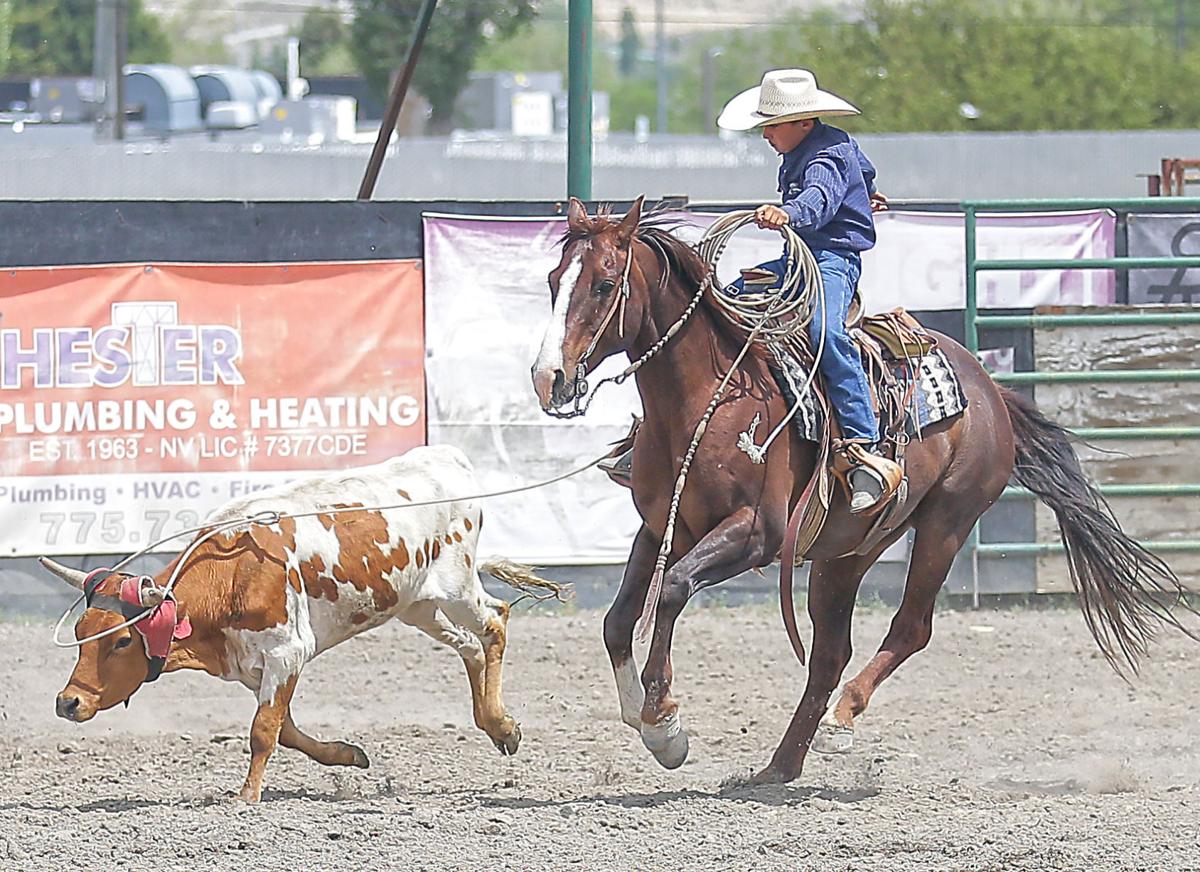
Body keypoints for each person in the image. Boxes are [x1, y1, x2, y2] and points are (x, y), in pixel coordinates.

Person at [603, 69, 900, 513]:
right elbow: (863, 167)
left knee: (825, 331)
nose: (765, 134)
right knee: (718, 307)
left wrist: (789, 213)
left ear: (804, 122)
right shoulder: (816, 147)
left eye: (772, 125)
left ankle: (862, 443)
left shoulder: (824, 158)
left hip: (832, 260)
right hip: (797, 259)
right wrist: (869, 191)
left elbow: (817, 201)